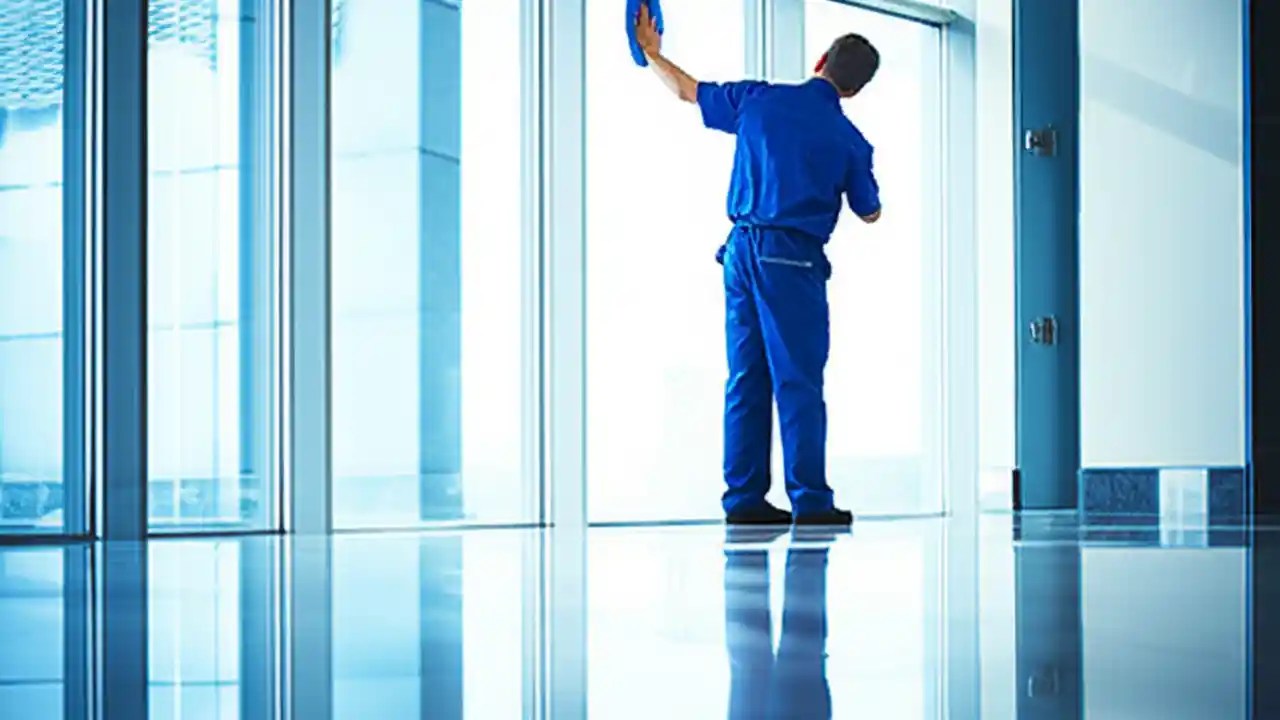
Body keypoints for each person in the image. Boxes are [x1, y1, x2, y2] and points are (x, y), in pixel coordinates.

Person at [634, 6, 881, 526]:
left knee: (746, 377)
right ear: (855, 90)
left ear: (819, 61)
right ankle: (810, 501)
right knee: (798, 379)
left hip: (739, 252)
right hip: (791, 258)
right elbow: (870, 211)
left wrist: (652, 53)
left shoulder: (757, 99)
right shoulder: (851, 140)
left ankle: (743, 499)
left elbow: (687, 91)